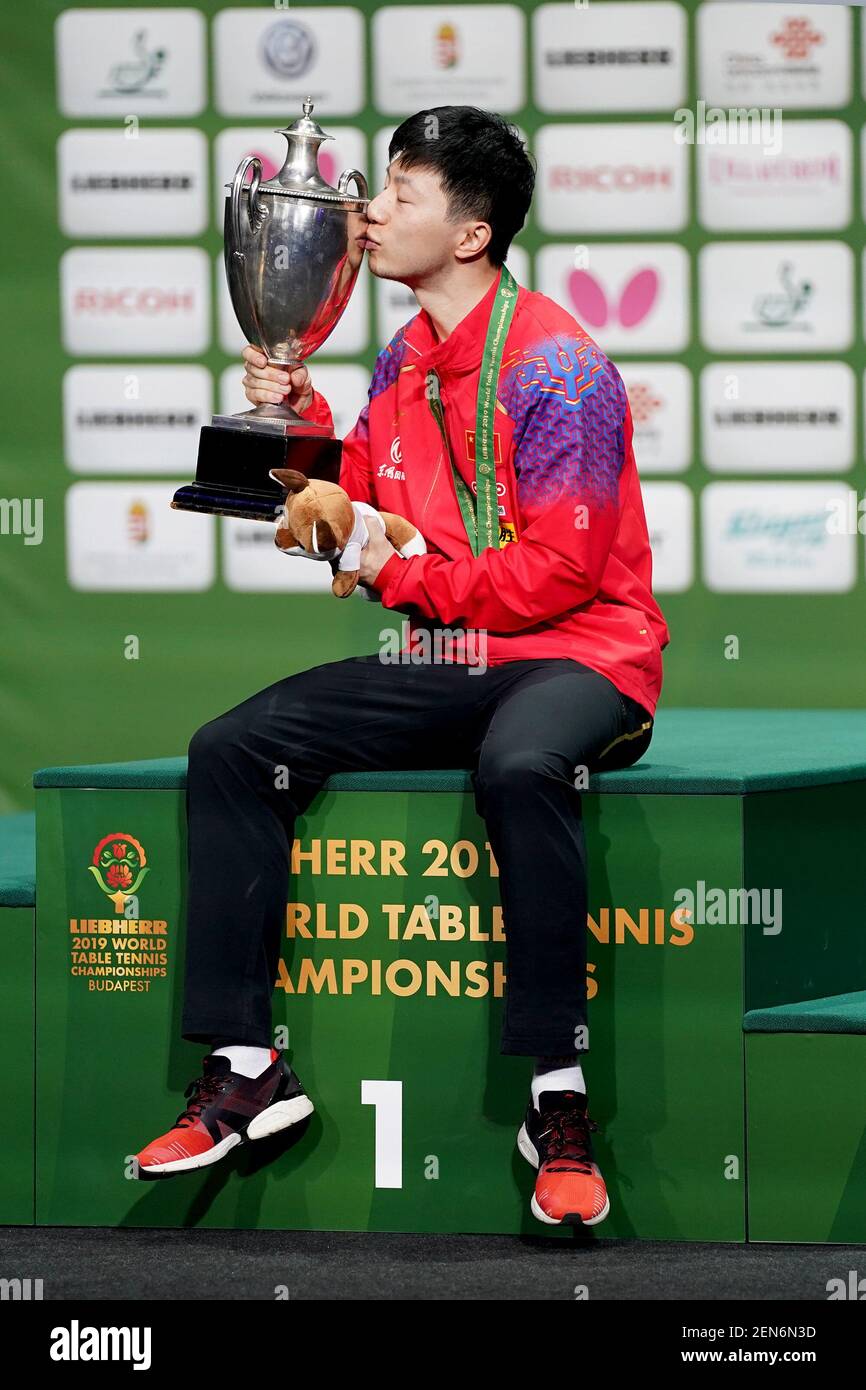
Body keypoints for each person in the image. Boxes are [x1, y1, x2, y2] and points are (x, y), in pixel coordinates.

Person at [134, 105, 670, 1228]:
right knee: (233, 746)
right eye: (376, 187)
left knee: (522, 766)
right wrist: (299, 422)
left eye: (399, 195)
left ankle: (556, 1100)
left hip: (581, 654)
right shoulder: (407, 352)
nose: (366, 212)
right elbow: (363, 477)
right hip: (452, 655)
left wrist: (382, 558)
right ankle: (247, 1070)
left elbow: (557, 577)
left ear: (468, 235)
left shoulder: (558, 368)